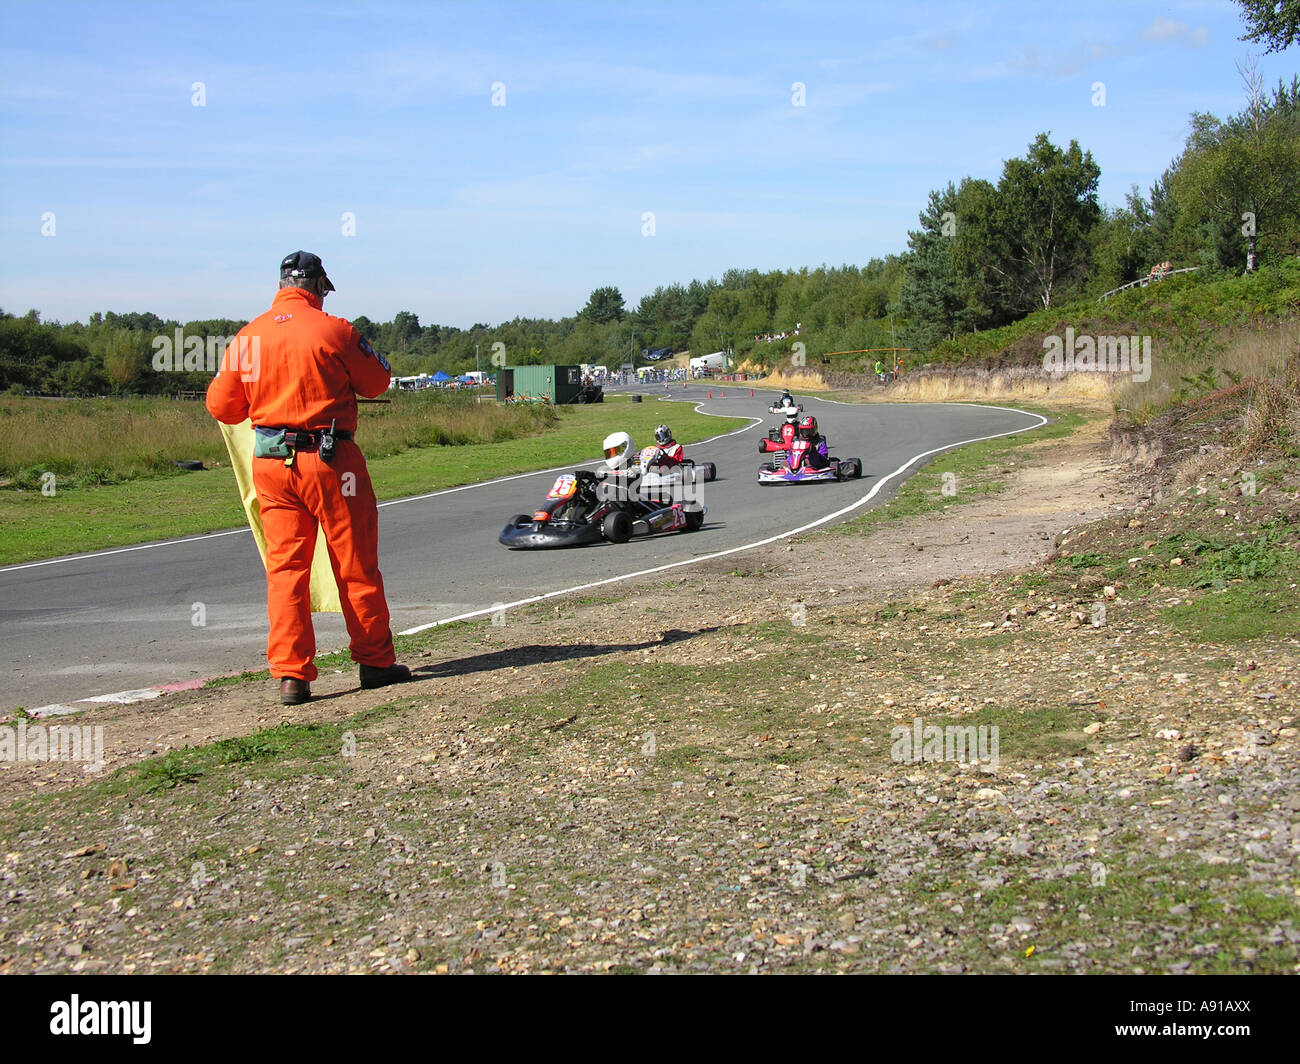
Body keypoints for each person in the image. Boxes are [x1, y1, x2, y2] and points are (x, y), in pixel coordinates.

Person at [206, 251, 412, 705]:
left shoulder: (247, 337)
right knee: (355, 565)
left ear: (281, 284)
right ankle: (375, 663)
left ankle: (291, 676)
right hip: (332, 462)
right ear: (318, 286)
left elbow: (222, 407)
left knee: (285, 572)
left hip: (272, 466)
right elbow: (377, 381)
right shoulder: (336, 330)